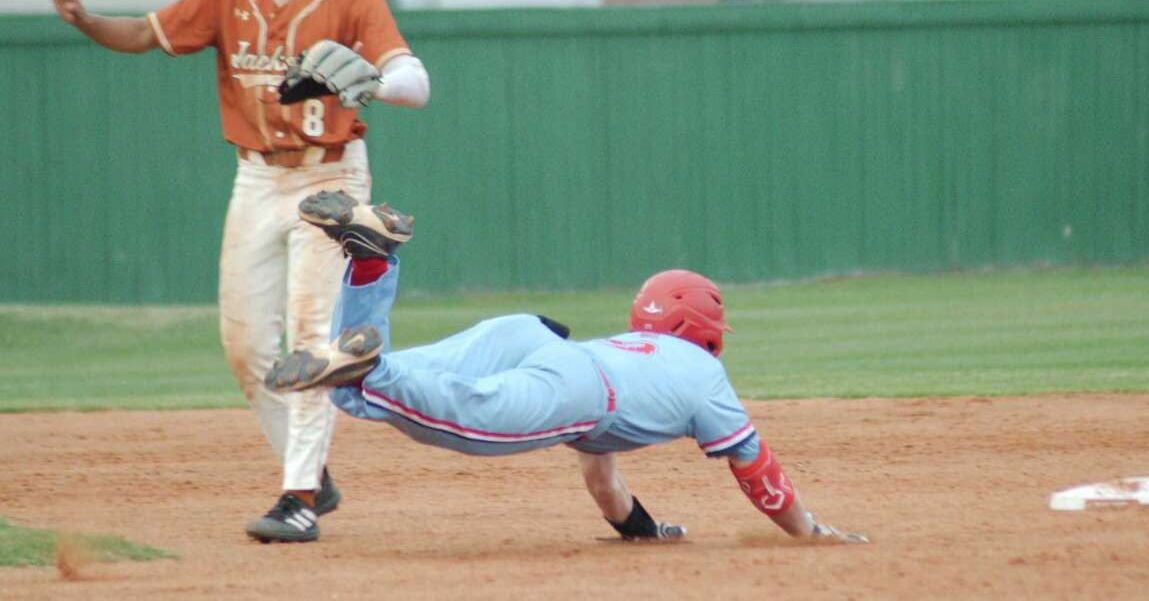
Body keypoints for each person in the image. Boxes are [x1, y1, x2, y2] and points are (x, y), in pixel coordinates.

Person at [38, 0, 431, 543]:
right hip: (255, 176)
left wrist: (375, 81)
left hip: (331, 179)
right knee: (244, 346)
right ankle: (310, 472)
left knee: (309, 337)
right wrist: (84, 19)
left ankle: (297, 497)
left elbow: (415, 83)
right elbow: (146, 34)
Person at [262, 189, 869, 545]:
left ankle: (371, 265)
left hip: (532, 337)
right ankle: (368, 367)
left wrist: (643, 531)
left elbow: (605, 485)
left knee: (354, 392)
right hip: (580, 387)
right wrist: (810, 532)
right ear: (704, 328)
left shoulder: (628, 345)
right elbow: (757, 469)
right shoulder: (706, 377)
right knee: (465, 412)